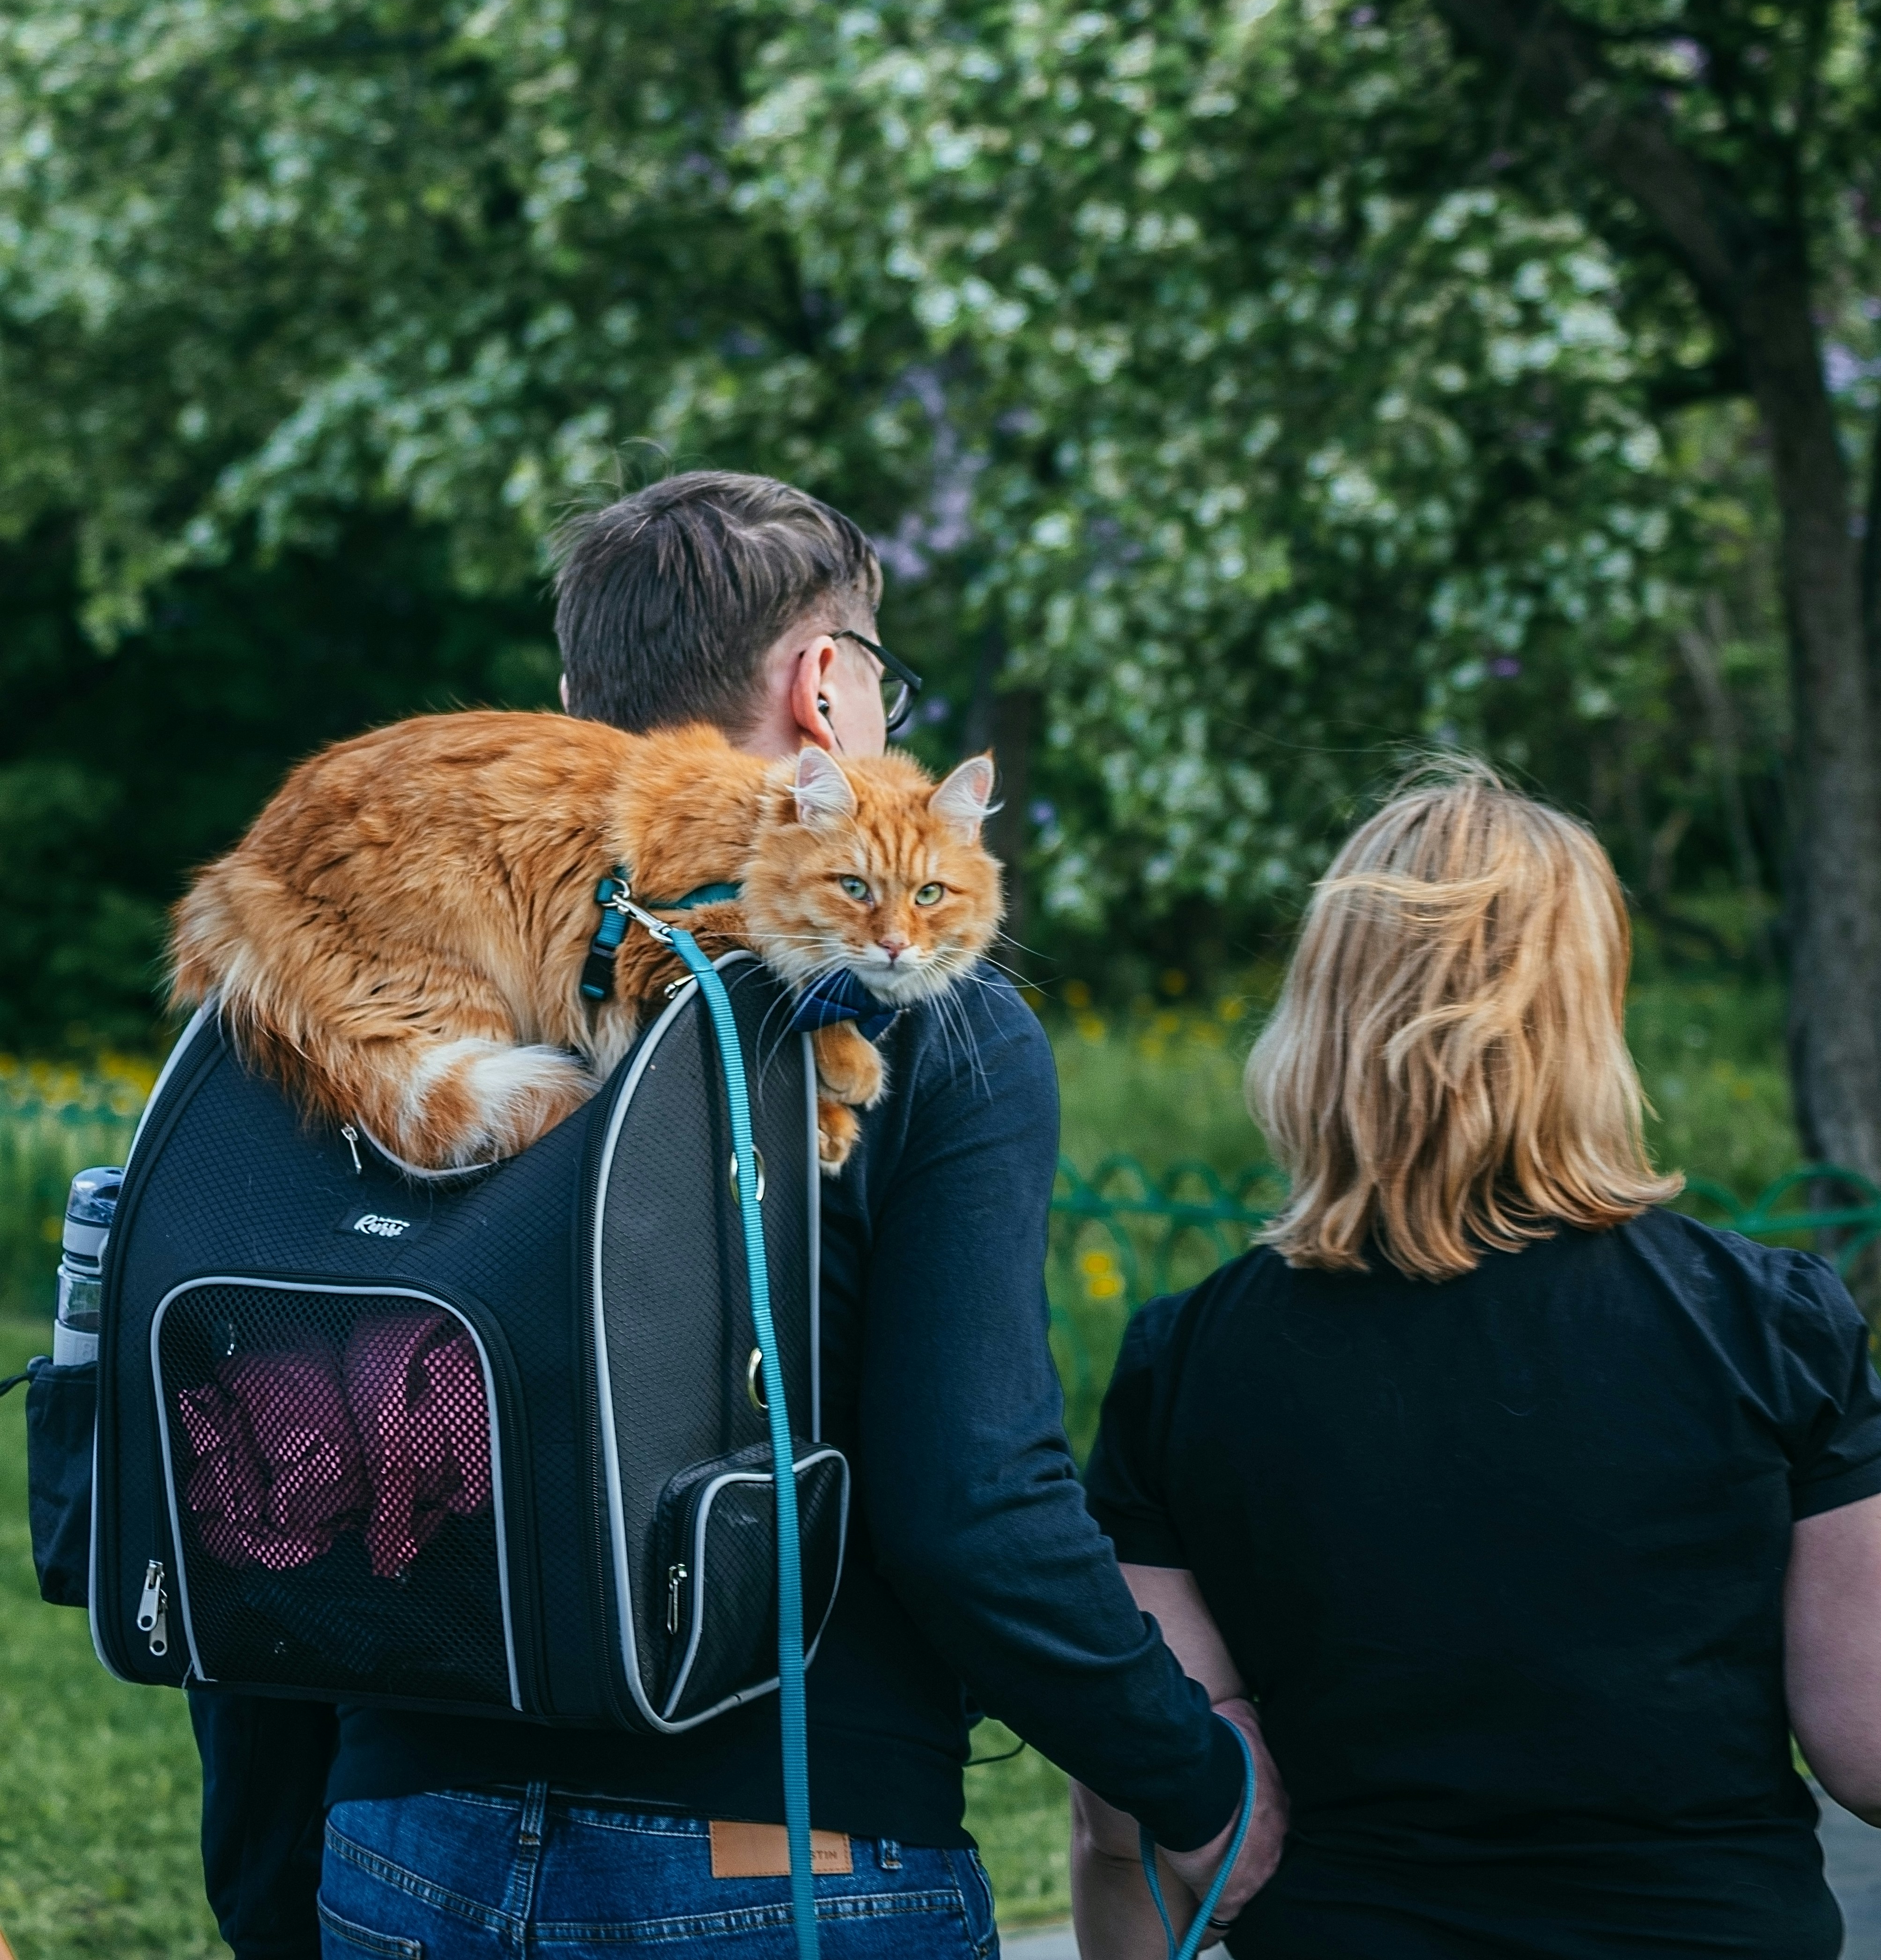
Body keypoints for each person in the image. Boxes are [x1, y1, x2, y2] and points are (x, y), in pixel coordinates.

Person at [190, 471, 1278, 1959]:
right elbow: (972, 1503)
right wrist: (1190, 1775)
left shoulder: (348, 983)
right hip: (795, 1850)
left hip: (404, 1842)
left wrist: (273, 1887)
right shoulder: (916, 1019)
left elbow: (257, 1459)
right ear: (827, 685)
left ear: (579, 692)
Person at [1069, 762, 1881, 1960]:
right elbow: (1866, 1743)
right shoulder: (1771, 1321)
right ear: (1587, 1011)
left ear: (1327, 1007)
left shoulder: (1187, 1357)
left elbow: (1128, 1811)